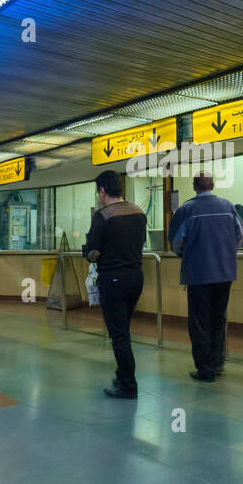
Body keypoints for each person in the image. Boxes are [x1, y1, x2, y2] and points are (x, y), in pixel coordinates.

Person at [169, 172, 243, 382]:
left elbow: (176, 242)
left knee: (200, 321)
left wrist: (186, 253)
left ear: (195, 187)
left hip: (198, 273)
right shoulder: (228, 206)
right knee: (218, 318)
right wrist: (228, 253)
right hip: (224, 272)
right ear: (212, 185)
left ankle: (205, 369)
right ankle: (218, 362)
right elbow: (241, 235)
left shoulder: (186, 210)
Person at [82, 170, 147, 398]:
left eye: (98, 191)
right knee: (123, 330)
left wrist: (89, 253)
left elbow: (92, 251)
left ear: (102, 191)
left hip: (113, 279)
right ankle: (122, 376)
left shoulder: (103, 216)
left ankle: (128, 385)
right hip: (136, 277)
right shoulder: (139, 212)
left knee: (119, 335)